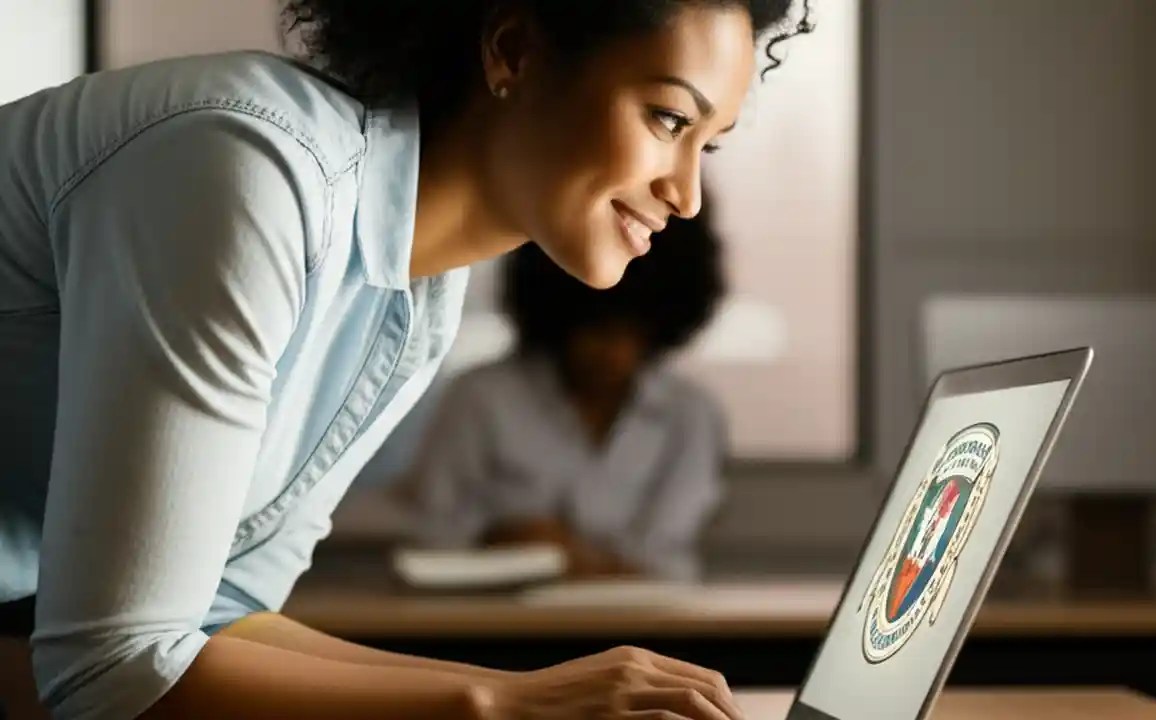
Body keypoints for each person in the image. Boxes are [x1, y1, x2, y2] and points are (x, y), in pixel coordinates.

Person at [0, 1, 812, 718]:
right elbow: (112, 674)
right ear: (515, 50)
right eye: (670, 121)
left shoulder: (415, 295)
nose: (687, 192)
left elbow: (221, 609)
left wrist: (530, 697)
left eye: (711, 144)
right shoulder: (253, 172)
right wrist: (503, 704)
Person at [402, 200, 728, 581]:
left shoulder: (691, 415)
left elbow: (662, 549)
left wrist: (565, 556)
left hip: (651, 627)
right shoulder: (480, 399)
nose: (612, 352)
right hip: (500, 628)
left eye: (630, 331)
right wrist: (498, 539)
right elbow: (433, 535)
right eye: (595, 328)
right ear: (558, 316)